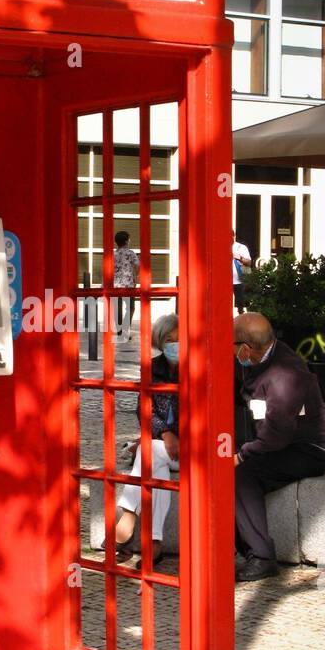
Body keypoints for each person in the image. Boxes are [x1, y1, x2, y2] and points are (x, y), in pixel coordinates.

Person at [234, 312, 325, 582]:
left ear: (246, 348)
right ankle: (237, 547)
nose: (230, 351)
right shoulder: (257, 361)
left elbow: (276, 435)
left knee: (242, 474)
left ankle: (262, 555)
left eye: (232, 345)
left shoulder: (284, 375)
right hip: (277, 443)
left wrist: (242, 455)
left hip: (308, 449)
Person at [112, 313, 179, 568]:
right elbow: (144, 409)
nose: (175, 344)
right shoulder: (153, 368)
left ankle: (127, 515)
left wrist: (180, 436)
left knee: (149, 451)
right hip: (162, 447)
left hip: (194, 446)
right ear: (160, 342)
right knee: (153, 459)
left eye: (179, 338)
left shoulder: (197, 366)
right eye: (169, 339)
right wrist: (165, 433)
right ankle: (155, 543)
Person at [113, 230, 140, 339]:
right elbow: (137, 266)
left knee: (117, 308)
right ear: (126, 241)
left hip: (115, 285)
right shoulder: (131, 253)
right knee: (130, 308)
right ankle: (124, 330)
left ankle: (119, 331)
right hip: (128, 285)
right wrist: (135, 276)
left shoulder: (112, 254)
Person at [232, 232, 252, 311]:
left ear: (234, 236)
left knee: (241, 306)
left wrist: (239, 257)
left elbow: (249, 262)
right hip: (225, 282)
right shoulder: (221, 246)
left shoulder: (241, 247)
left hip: (239, 281)